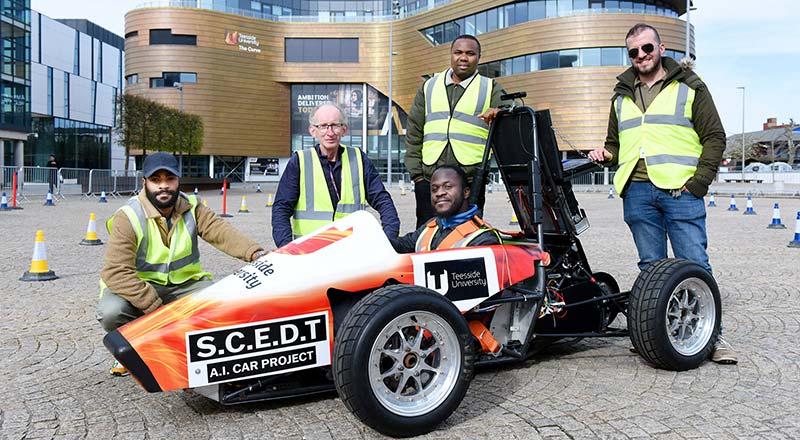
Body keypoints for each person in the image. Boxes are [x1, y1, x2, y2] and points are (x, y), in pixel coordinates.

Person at [588, 23, 736, 364]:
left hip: (679, 190)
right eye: (634, 52)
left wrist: (699, 182)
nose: (641, 56)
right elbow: (615, 143)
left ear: (661, 48)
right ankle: (655, 336)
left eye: (647, 48)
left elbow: (715, 136)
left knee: (694, 265)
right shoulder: (622, 95)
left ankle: (714, 337)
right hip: (637, 192)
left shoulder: (690, 87)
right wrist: (606, 154)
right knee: (651, 269)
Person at [97, 152, 267, 376]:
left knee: (222, 304)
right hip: (138, 288)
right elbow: (116, 273)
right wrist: (157, 310)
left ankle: (198, 351)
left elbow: (222, 233)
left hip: (184, 284)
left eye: (170, 179)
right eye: (156, 180)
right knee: (111, 311)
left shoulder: (192, 207)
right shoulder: (127, 216)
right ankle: (131, 353)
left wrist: (256, 254)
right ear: (144, 182)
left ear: (179, 180)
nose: (164, 186)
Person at [405, 34, 508, 228]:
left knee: (467, 234)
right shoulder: (429, 87)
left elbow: (513, 114)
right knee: (427, 233)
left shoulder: (490, 88)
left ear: (479, 57)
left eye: (470, 53)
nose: (463, 57)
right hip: (429, 178)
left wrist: (499, 112)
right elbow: (414, 132)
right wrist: (417, 175)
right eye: (458, 52)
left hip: (470, 179)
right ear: (451, 55)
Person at [272, 102, 400, 247]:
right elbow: (281, 209)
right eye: (323, 126)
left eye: (335, 125)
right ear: (313, 131)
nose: (330, 132)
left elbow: (383, 201)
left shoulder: (358, 159)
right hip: (310, 253)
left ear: (344, 129)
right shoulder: (299, 162)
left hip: (350, 250)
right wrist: (286, 249)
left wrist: (388, 240)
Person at [392, 165, 500, 253]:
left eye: (448, 187)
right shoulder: (430, 227)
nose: (439, 193)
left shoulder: (483, 239)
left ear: (466, 192)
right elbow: (400, 245)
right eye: (434, 189)